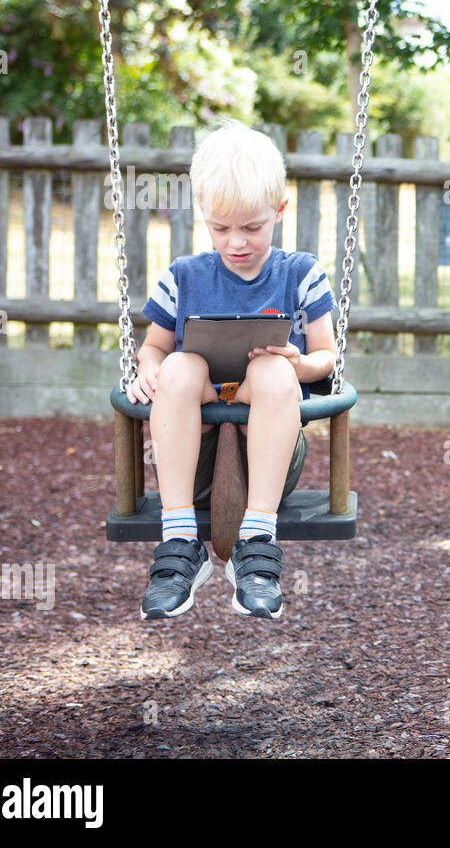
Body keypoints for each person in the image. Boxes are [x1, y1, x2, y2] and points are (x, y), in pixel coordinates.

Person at [127, 119, 336, 620]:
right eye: (220, 228)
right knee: (179, 364)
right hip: (191, 460)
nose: (236, 241)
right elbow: (151, 347)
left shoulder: (300, 274)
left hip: (270, 458)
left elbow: (328, 356)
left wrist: (298, 362)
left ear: (279, 212)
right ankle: (180, 542)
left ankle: (258, 542)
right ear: (204, 215)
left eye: (252, 227)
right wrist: (150, 369)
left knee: (271, 369)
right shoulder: (183, 276)